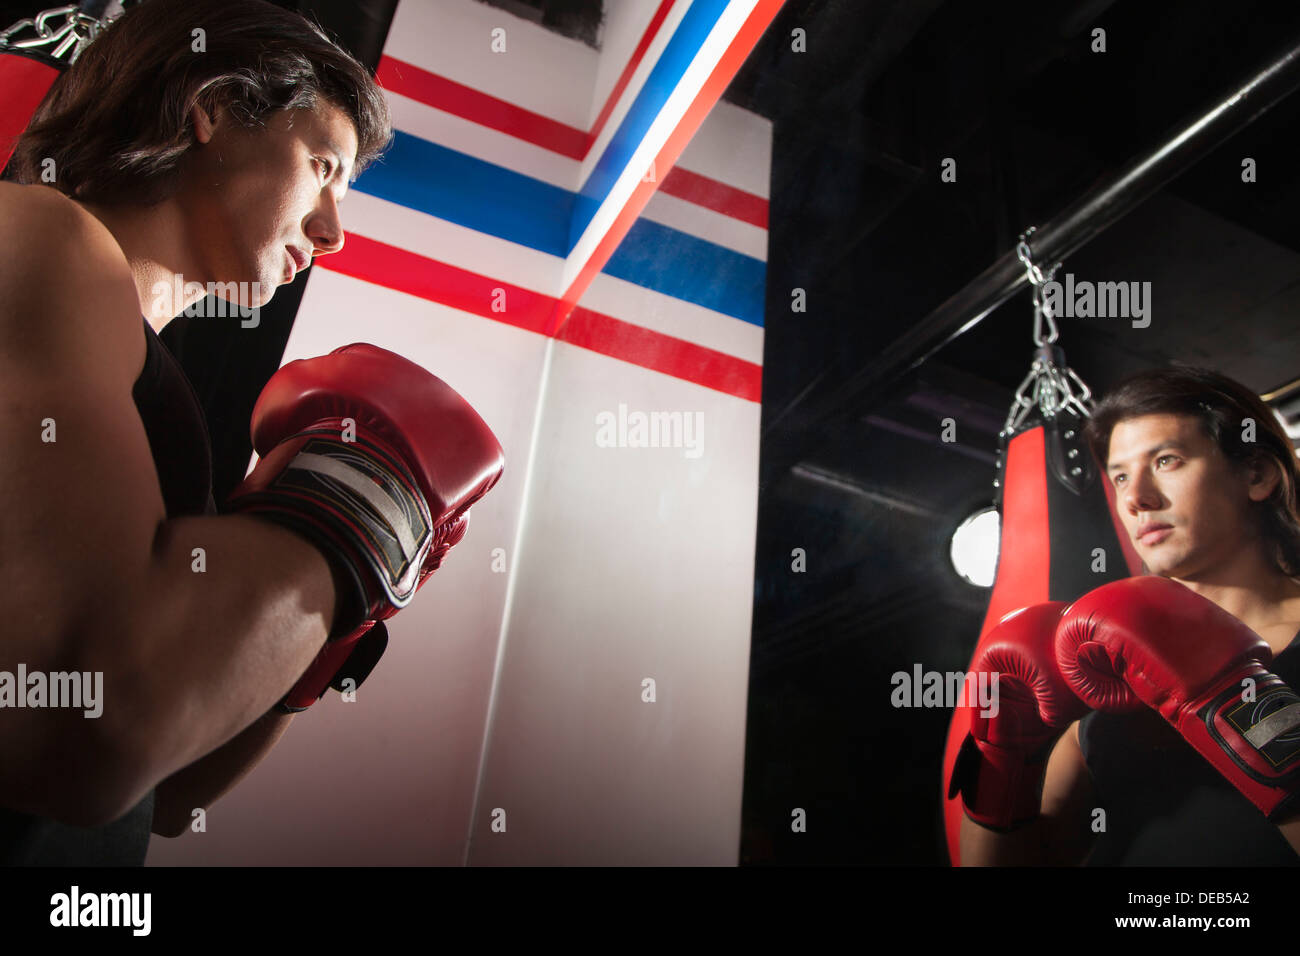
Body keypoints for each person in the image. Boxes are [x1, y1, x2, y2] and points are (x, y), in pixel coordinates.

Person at [0, 0, 502, 865]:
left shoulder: (133, 374)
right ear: (218, 108)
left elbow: (166, 789)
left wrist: (340, 607)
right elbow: (78, 730)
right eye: (322, 166)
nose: (336, 231)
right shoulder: (40, 238)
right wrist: (350, 518)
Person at [955, 365, 1300, 865]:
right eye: (1119, 476)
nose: (1135, 498)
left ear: (1258, 474)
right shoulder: (1103, 662)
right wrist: (1003, 760)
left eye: (1166, 460)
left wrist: (1229, 696)